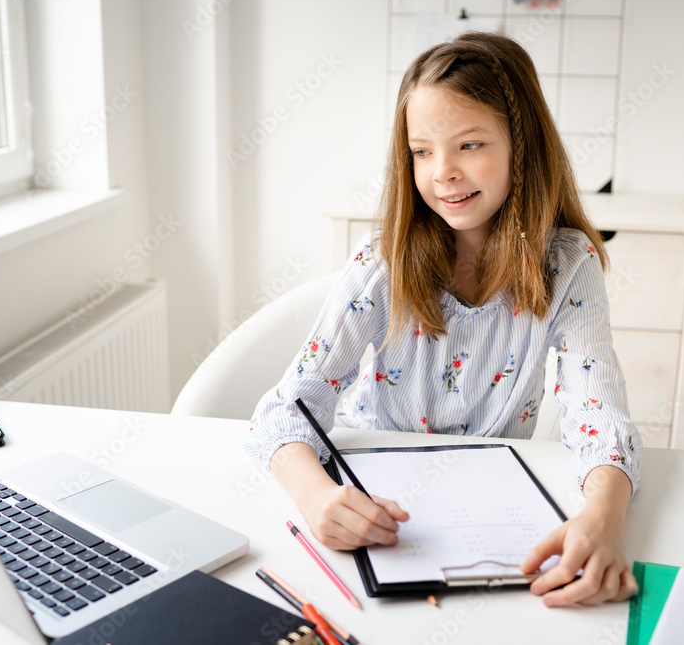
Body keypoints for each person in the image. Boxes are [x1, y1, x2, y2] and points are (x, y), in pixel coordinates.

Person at [244, 31, 643, 607]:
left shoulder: (569, 264)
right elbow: (283, 413)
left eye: (471, 145)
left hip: (497, 515)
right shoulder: (383, 262)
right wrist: (314, 500)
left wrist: (605, 518)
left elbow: (598, 415)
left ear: (522, 148)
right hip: (383, 507)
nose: (443, 172)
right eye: (422, 151)